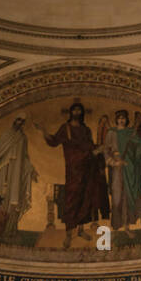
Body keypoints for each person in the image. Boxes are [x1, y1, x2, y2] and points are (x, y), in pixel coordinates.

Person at [34, 102, 109, 248]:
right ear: (71, 112)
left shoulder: (86, 130)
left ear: (82, 113)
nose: (76, 112)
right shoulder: (66, 128)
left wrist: (98, 149)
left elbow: (89, 145)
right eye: (74, 110)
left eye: (79, 110)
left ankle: (80, 230)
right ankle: (69, 235)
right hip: (74, 169)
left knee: (85, 199)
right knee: (72, 200)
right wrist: (43, 130)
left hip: (87, 167)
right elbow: (53, 141)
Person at [100, 110, 141, 234]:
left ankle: (127, 226)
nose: (121, 120)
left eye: (124, 118)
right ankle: (116, 225)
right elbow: (105, 150)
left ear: (127, 120)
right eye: (119, 118)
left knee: (128, 196)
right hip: (117, 168)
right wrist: (113, 162)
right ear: (116, 119)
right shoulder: (112, 132)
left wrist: (137, 154)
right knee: (117, 196)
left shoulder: (131, 132)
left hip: (130, 168)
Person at [0, 115, 38, 238]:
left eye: (22, 121)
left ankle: (10, 229)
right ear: (13, 120)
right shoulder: (6, 135)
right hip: (4, 171)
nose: (20, 123)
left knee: (15, 200)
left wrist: (31, 170)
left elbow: (25, 156)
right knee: (3, 197)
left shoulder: (23, 138)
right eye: (18, 120)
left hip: (17, 173)